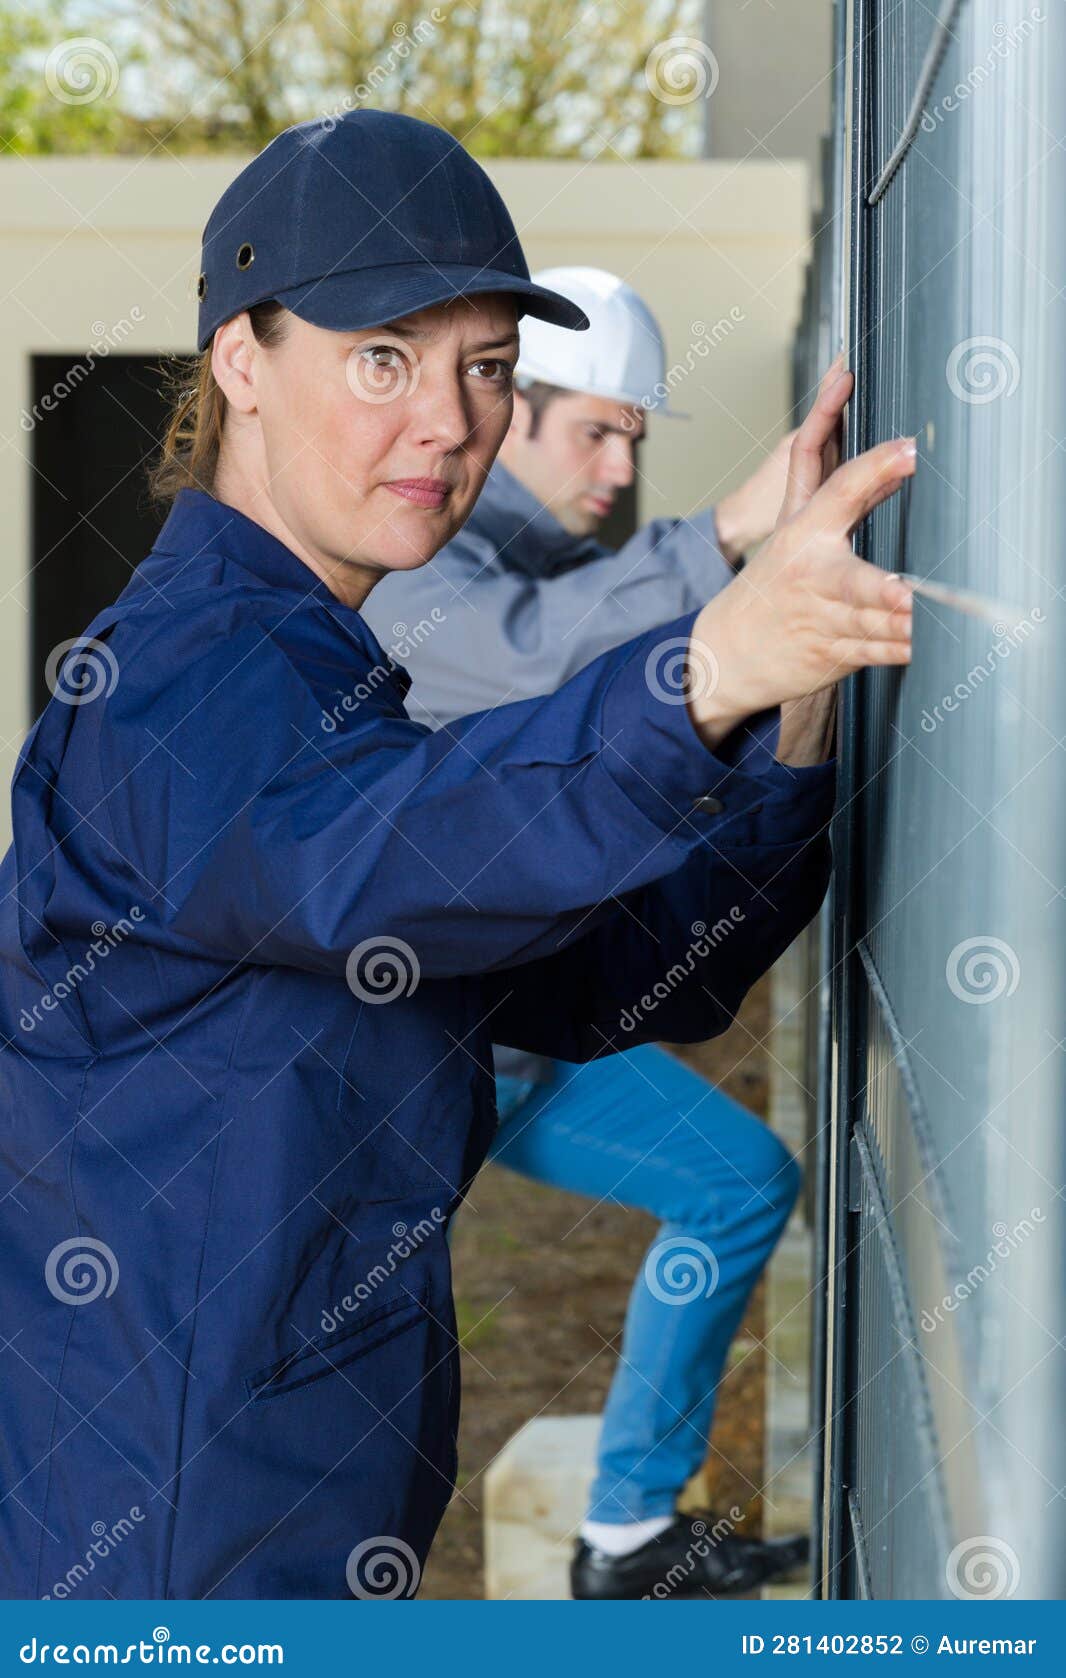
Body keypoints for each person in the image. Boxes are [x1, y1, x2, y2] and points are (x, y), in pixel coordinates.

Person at [0, 110, 914, 1602]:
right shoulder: (179, 684)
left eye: (484, 366)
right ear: (241, 360)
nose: (446, 419)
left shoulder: (315, 670)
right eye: (383, 356)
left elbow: (616, 982)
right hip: (164, 1548)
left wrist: (795, 688)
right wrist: (698, 665)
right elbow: (394, 848)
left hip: (287, 1503)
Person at [361, 267, 819, 1596]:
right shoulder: (421, 550)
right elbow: (535, 660)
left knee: (737, 1182)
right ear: (508, 419)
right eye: (595, 432)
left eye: (637, 434)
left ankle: (623, 1528)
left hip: (518, 1026)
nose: (620, 466)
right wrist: (729, 533)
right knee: (334, 1359)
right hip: (401, 1049)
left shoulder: (558, 560)